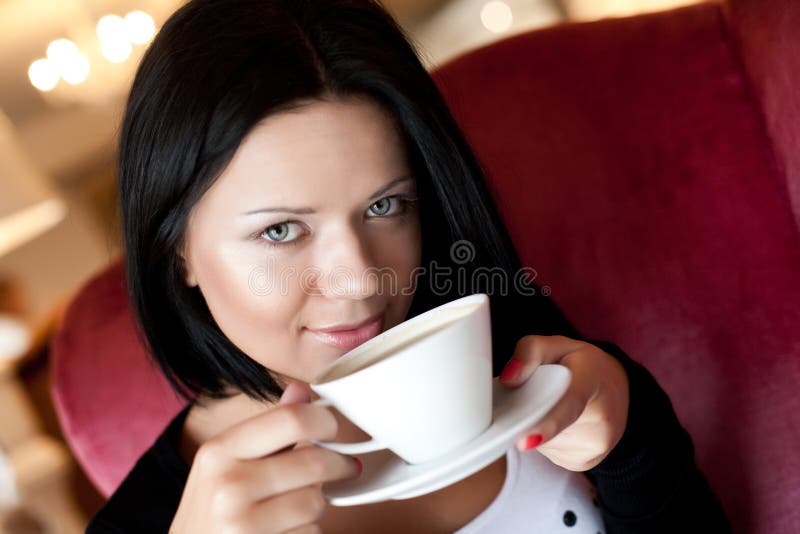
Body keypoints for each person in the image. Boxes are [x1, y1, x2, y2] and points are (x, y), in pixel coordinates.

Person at [86, 0, 732, 532]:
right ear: (178, 251)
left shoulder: (509, 343)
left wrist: (632, 440)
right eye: (280, 231)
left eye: (385, 206)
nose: (362, 280)